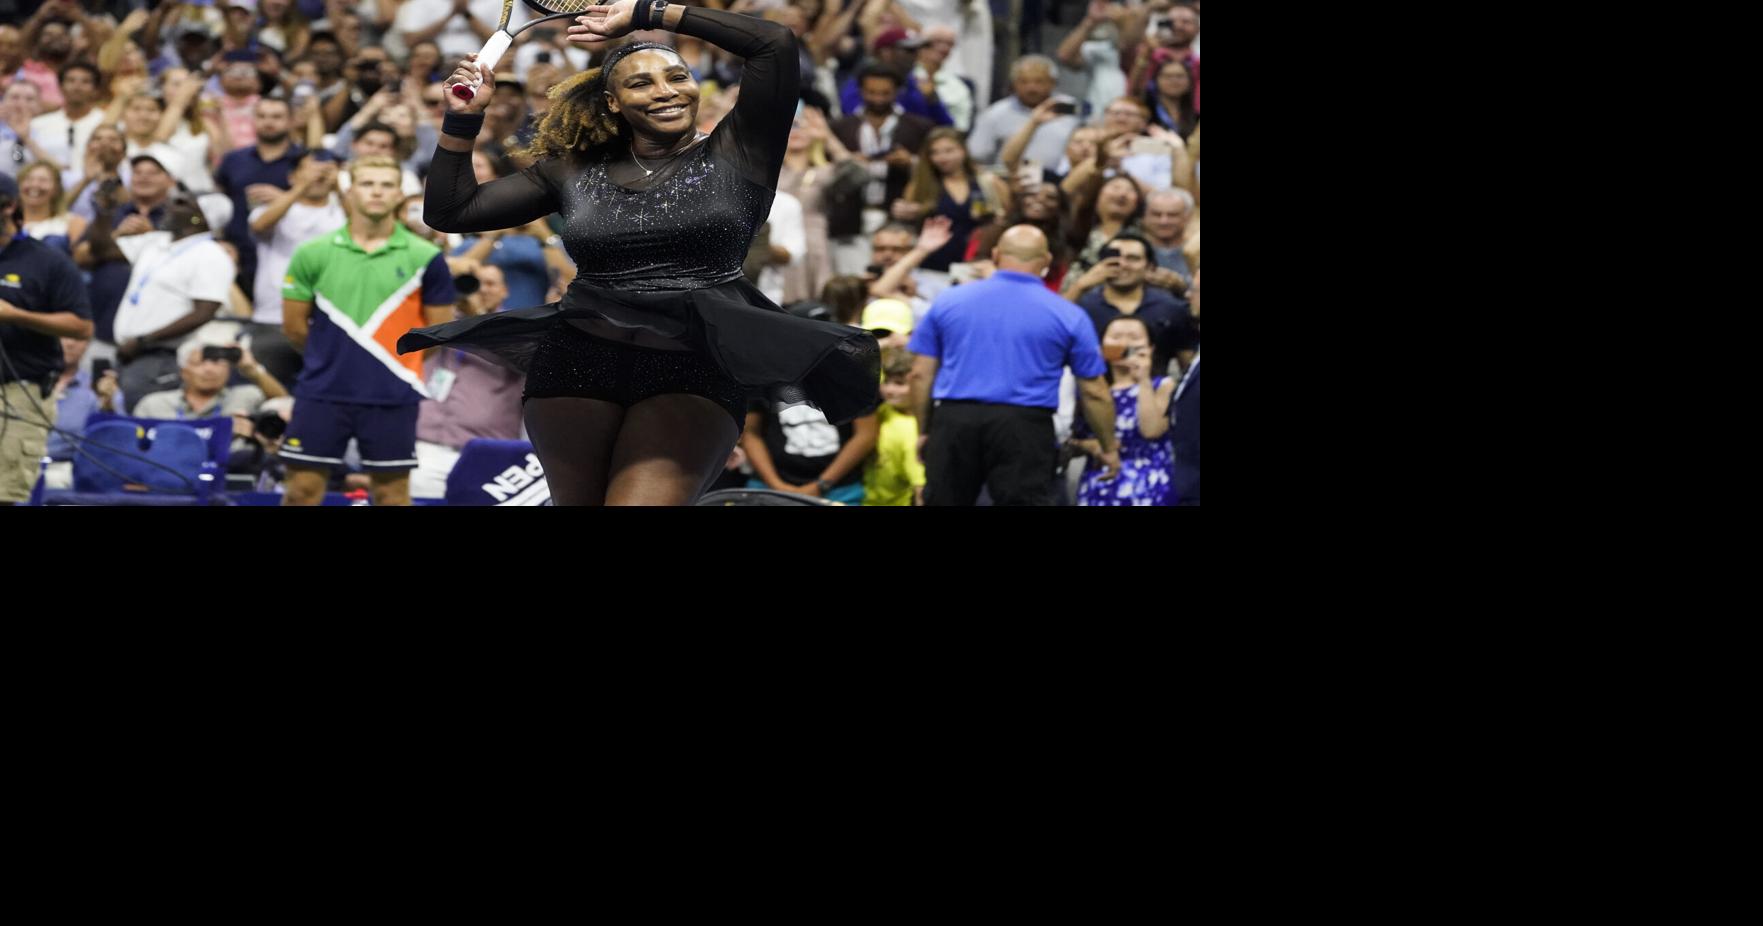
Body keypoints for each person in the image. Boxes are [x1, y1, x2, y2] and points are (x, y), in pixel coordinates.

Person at [404, 0, 880, 506]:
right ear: (612, 102)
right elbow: (452, 212)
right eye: (641, 83)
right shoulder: (572, 168)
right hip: (576, 363)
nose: (665, 92)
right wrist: (461, 123)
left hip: (689, 370)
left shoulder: (742, 150)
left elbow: (774, 43)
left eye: (677, 77)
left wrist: (647, 13)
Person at [278, 156, 458, 507]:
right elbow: (295, 329)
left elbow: (436, 334)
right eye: (368, 183)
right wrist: (331, 360)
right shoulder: (312, 253)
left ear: (400, 196)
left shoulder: (426, 257)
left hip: (393, 394)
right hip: (322, 392)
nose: (377, 191)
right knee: (300, 492)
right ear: (349, 192)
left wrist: (393, 364)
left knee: (392, 496)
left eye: (387, 184)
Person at [907, 225, 1119, 506]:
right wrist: (1108, 446)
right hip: (1025, 427)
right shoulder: (1067, 314)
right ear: (1045, 262)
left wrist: (924, 430)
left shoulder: (949, 301)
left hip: (954, 420)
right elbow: (1094, 391)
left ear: (995, 255)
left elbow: (920, 374)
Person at [0, 172, 93, 505]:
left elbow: (82, 326)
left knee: (4, 493)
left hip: (18, 391)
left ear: (9, 207)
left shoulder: (46, 261)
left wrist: (15, 316)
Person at [109, 187, 238, 413]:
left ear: (200, 217)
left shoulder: (211, 254)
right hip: (131, 353)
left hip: (161, 357)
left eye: (182, 203)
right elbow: (100, 251)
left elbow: (204, 312)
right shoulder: (158, 242)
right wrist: (104, 211)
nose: (169, 205)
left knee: (148, 427)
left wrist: (144, 341)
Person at [411, 265, 527, 499]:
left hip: (489, 454)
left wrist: (478, 316)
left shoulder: (519, 326)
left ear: (505, 291)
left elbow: (519, 360)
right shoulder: (442, 319)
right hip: (427, 448)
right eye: (475, 282)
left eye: (490, 283)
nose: (481, 289)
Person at [1067, 315, 1174, 506]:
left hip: (1150, 484)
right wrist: (1089, 445)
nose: (1124, 343)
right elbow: (1070, 439)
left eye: (1134, 338)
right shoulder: (1092, 392)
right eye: (1116, 337)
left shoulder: (1163, 386)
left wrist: (1143, 381)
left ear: (1150, 347)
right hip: (1100, 482)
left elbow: (1151, 430)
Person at [863, 346, 925, 506]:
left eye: (899, 383)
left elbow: (920, 487)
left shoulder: (912, 431)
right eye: (886, 382)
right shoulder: (884, 409)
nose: (889, 390)